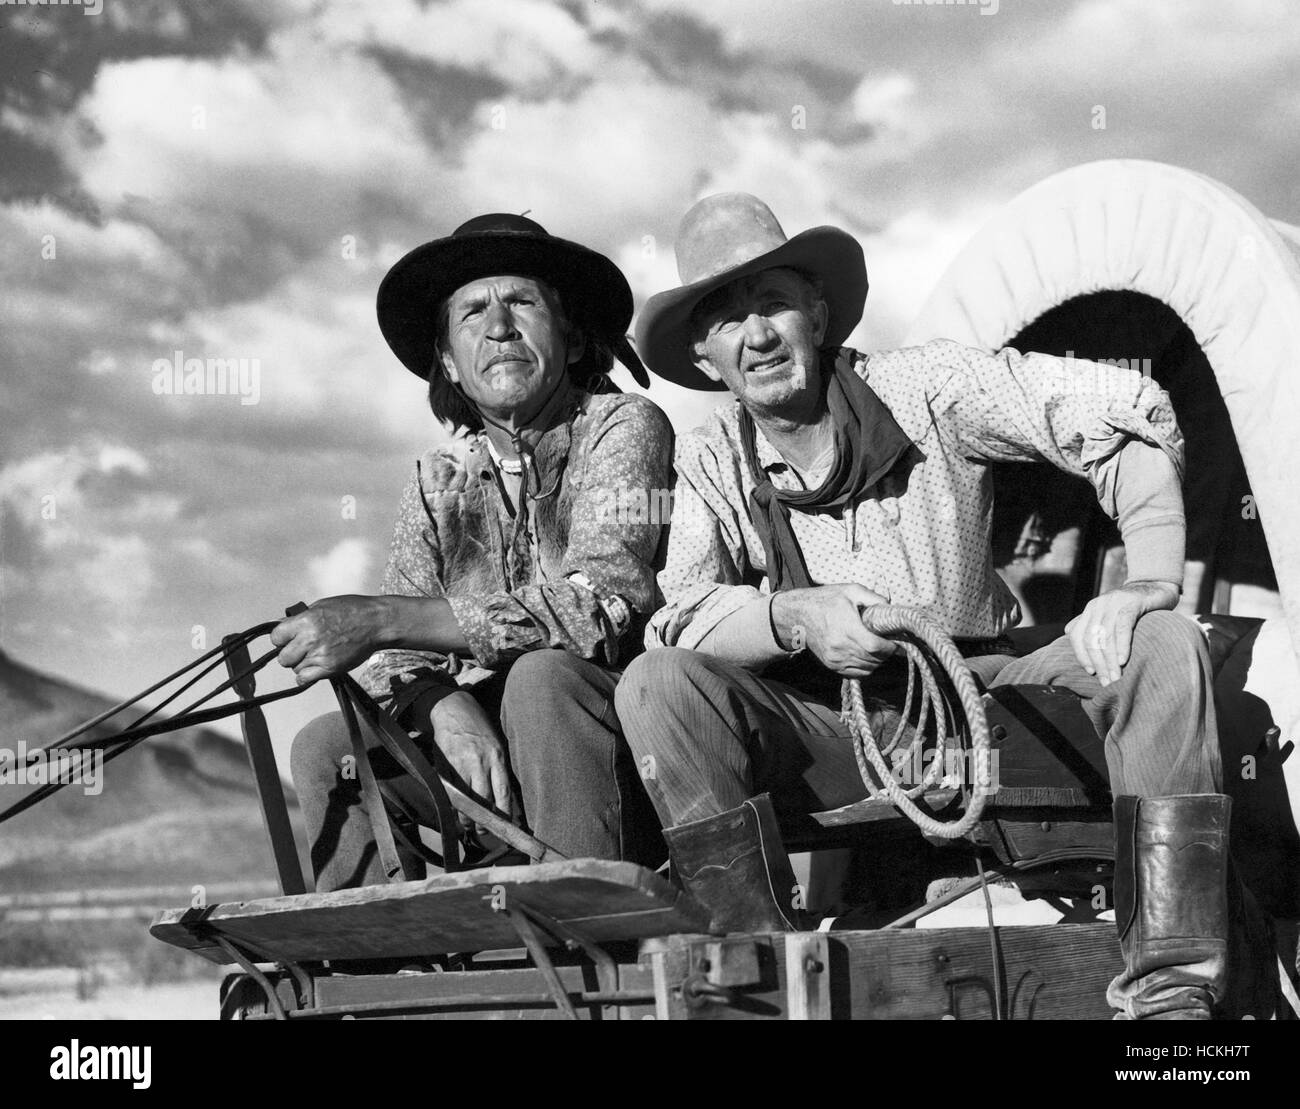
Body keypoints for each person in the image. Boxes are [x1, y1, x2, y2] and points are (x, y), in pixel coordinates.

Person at [618, 192, 1228, 1020]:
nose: (756, 334)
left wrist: (1146, 580)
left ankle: (1173, 992)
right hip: (832, 727)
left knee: (1162, 643)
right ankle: (760, 986)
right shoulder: (709, 459)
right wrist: (798, 616)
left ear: (819, 312)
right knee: (657, 683)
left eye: (774, 303)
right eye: (727, 319)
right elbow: (683, 611)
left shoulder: (928, 385)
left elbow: (1119, 414)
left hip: (990, 691)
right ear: (706, 354)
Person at [278, 213, 670, 890]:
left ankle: (586, 930)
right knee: (324, 747)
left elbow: (595, 605)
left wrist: (381, 617)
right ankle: (378, 968)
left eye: (521, 301)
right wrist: (435, 701)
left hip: (615, 739)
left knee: (541, 677)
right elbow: (389, 668)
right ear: (453, 364)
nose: (499, 326)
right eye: (472, 311)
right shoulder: (439, 481)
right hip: (487, 757)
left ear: (574, 340)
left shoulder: (623, 426)